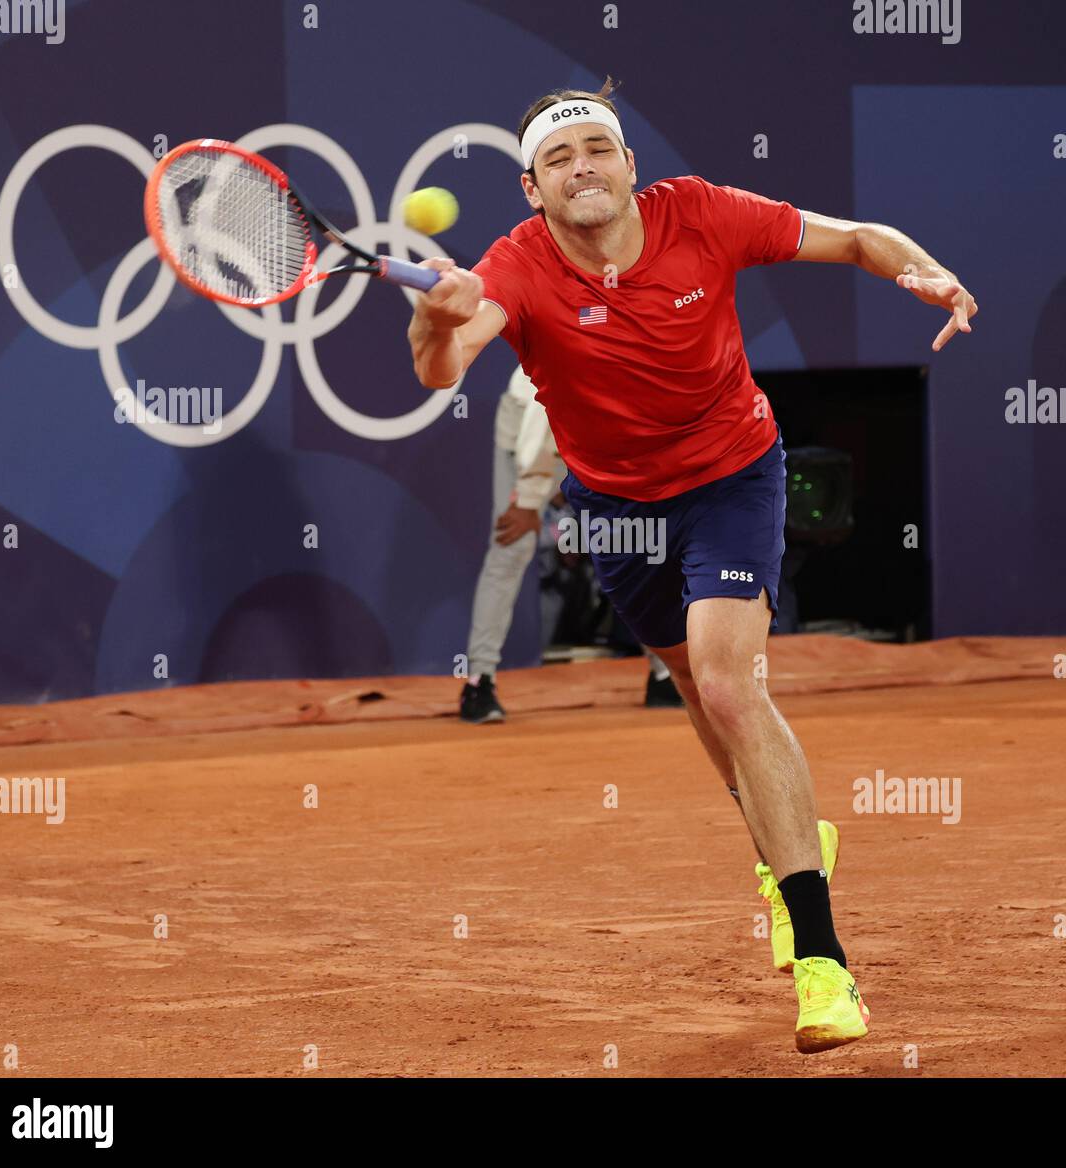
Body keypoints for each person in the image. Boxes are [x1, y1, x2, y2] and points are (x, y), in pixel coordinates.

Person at [407, 78, 977, 1052]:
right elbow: (443, 366)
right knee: (695, 686)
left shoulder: (703, 215)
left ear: (630, 164)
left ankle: (821, 958)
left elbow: (853, 237)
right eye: (557, 158)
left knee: (724, 680)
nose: (580, 166)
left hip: (730, 478)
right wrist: (433, 317)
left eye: (596, 148)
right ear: (530, 188)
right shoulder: (516, 263)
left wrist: (921, 272)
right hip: (614, 506)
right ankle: (781, 835)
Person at [461, 365, 684, 722]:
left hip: (593, 433)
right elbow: (539, 425)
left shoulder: (647, 356)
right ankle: (477, 683)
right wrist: (529, 502)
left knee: (629, 547)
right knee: (512, 546)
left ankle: (664, 676)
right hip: (530, 423)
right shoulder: (579, 350)